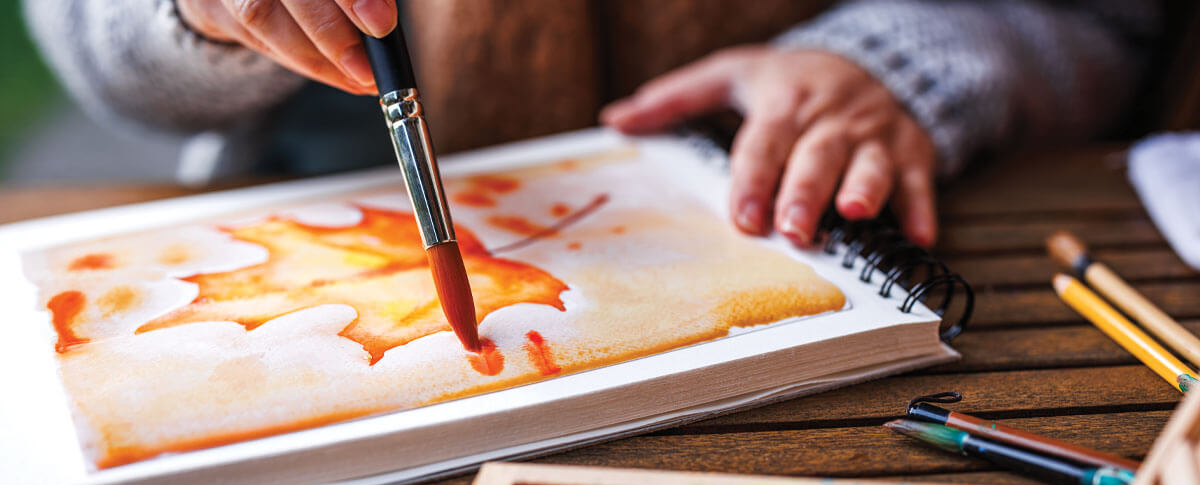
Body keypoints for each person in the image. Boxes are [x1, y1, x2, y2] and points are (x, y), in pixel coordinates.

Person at [23, 0, 1159, 248]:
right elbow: (98, 49)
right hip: (320, 199)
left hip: (787, 232)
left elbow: (1112, 19)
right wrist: (191, 17)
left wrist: (910, 62)